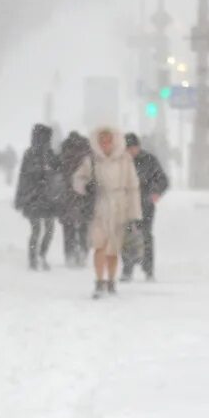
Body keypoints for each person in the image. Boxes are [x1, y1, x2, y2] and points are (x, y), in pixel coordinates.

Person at [72, 127, 143, 298]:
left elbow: (133, 187)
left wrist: (134, 214)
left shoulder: (125, 159)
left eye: (108, 140)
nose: (105, 144)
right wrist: (85, 187)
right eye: (101, 140)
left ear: (115, 140)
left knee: (114, 248)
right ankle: (99, 281)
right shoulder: (92, 159)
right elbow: (78, 179)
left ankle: (111, 280)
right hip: (100, 206)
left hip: (120, 208)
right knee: (100, 245)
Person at [14, 123, 64, 271]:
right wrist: (21, 197)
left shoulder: (50, 154)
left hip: (47, 198)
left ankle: (41, 255)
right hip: (33, 197)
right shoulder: (30, 154)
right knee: (37, 230)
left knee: (49, 229)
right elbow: (24, 176)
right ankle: (33, 259)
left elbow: (58, 171)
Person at [123, 132, 170, 282]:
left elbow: (163, 179)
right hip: (126, 205)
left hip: (145, 204)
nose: (131, 151)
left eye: (133, 148)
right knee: (126, 236)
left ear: (138, 147)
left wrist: (155, 192)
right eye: (128, 148)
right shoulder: (121, 162)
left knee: (145, 235)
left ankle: (148, 269)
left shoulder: (149, 160)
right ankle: (127, 269)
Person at [58, 130, 93, 267]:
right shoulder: (87, 155)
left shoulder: (64, 154)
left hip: (67, 195)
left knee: (69, 228)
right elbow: (93, 176)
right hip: (84, 195)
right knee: (84, 226)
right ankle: (83, 253)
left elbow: (58, 174)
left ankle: (70, 255)